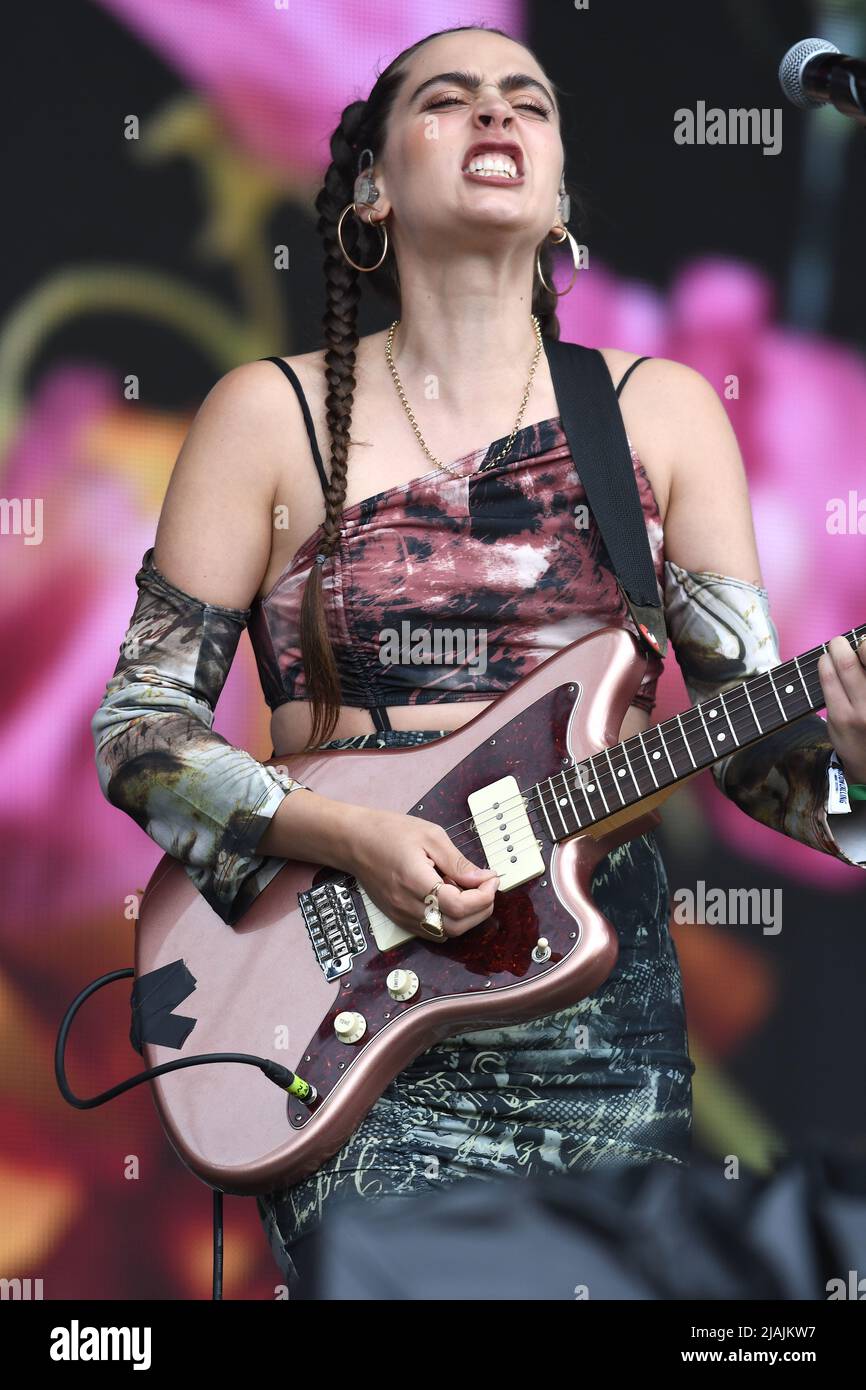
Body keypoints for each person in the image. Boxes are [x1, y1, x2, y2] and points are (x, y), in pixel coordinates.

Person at [91, 24, 866, 1296]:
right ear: (372, 190)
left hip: (592, 997)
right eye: (448, 101)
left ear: (559, 193)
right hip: (338, 1003)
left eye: (527, 101)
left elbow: (748, 743)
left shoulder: (655, 413)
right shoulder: (268, 414)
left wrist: (845, 765)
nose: (496, 114)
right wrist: (351, 838)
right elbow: (141, 724)